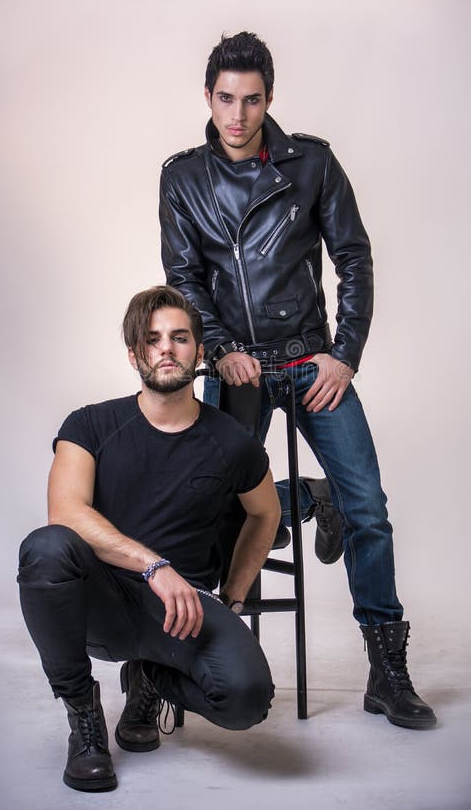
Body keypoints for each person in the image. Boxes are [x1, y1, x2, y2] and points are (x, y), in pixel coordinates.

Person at [159, 31, 436, 730]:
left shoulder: (311, 162)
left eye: (252, 100)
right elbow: (185, 279)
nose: (238, 114)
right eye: (226, 99)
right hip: (239, 367)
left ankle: (387, 670)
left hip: (311, 360)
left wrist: (346, 352)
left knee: (369, 505)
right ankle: (310, 502)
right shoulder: (183, 178)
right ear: (208, 97)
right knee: (213, 512)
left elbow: (354, 257)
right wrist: (219, 348)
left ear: (269, 99)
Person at [17, 285, 279, 792]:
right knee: (45, 547)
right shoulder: (90, 424)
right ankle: (84, 718)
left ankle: (150, 679)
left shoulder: (231, 441)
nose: (166, 348)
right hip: (104, 603)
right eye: (153, 339)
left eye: (180, 338)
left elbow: (264, 515)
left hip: (182, 615)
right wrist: (154, 567)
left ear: (199, 352)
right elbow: (65, 511)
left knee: (247, 699)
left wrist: (234, 596)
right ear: (135, 353)